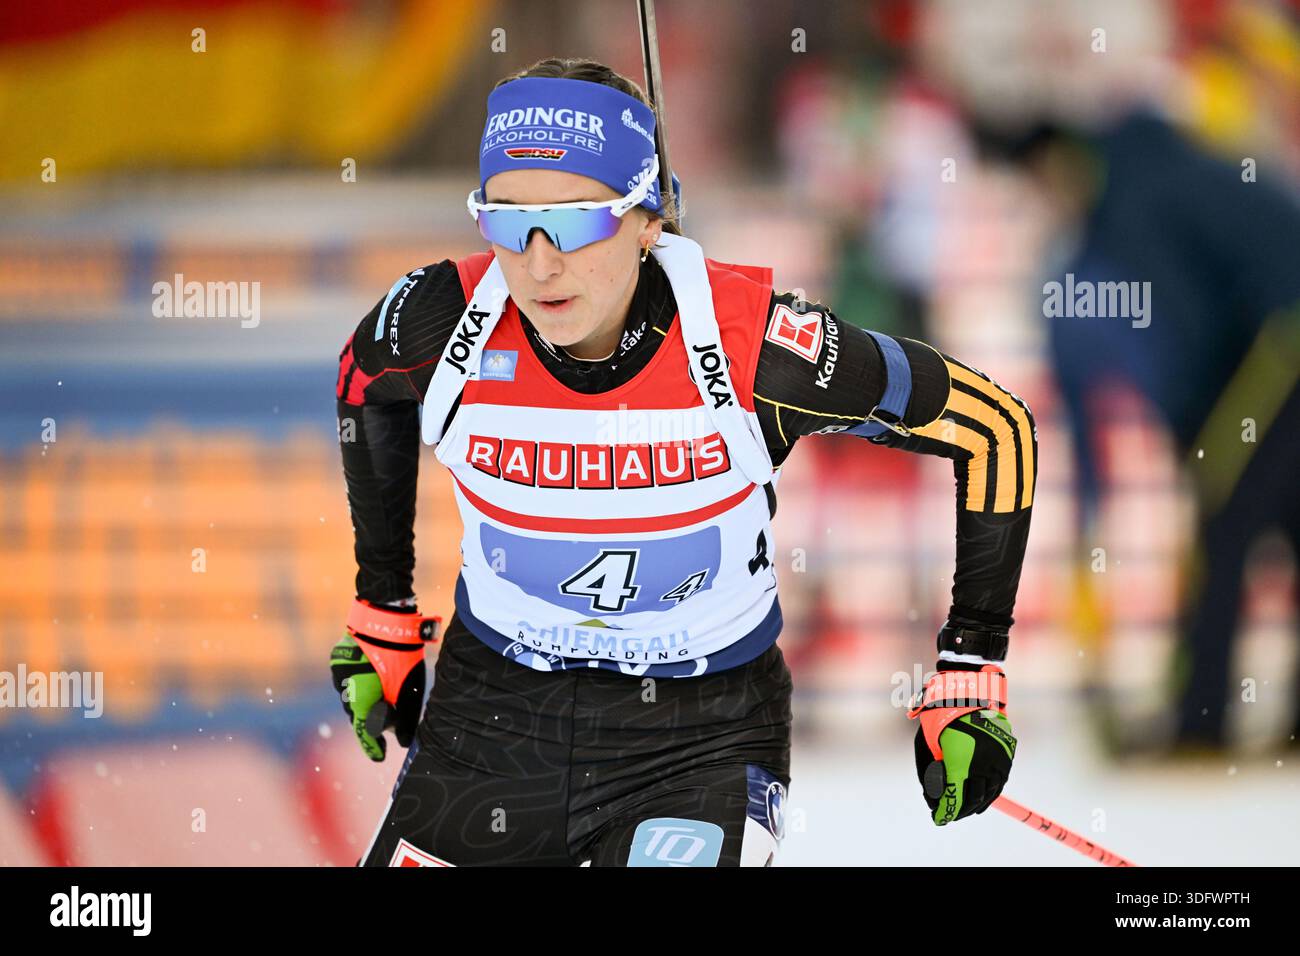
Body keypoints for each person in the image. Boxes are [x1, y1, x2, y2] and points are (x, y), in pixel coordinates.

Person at [330, 57, 1036, 867]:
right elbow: (362, 383)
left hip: (695, 734)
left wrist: (971, 665)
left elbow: (993, 427)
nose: (538, 263)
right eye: (505, 221)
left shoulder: (753, 347)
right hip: (493, 719)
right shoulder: (441, 320)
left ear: (645, 219)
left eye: (575, 223)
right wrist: (380, 609)